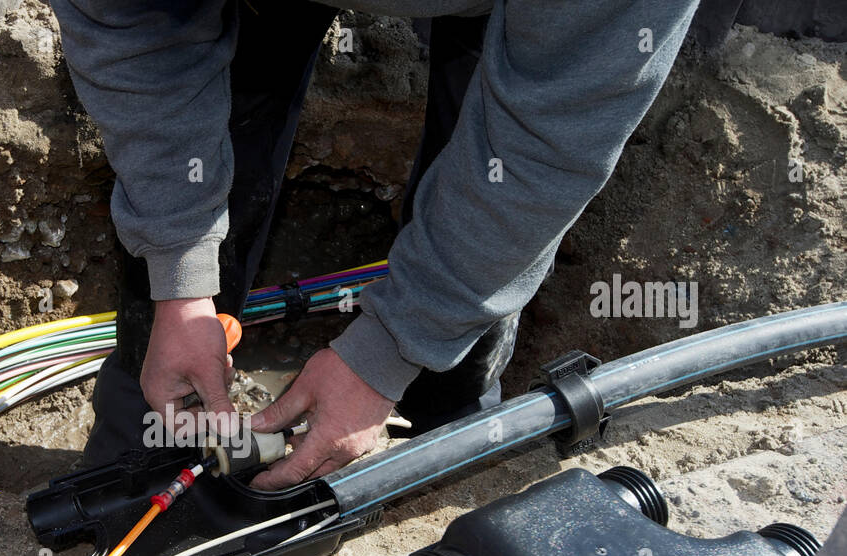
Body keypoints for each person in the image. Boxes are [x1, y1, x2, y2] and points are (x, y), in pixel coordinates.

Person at [51, 0, 700, 489]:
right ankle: (140, 476)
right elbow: (132, 34)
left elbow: (547, 141)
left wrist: (392, 351)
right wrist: (181, 281)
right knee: (226, 127)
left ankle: (435, 461)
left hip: (525, 18)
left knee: (486, 182)